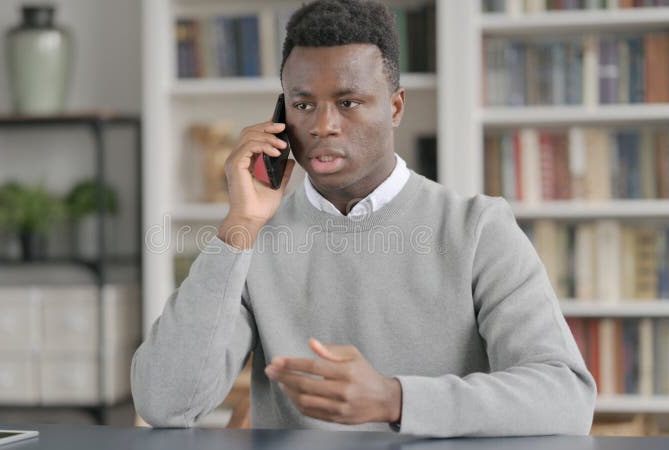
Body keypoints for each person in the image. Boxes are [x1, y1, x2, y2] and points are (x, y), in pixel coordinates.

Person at [131, 0, 596, 437]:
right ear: (281, 114)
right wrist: (239, 227)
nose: (322, 125)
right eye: (303, 104)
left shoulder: (477, 228)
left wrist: (395, 399)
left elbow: (566, 398)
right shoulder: (255, 238)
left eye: (348, 102)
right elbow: (165, 404)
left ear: (394, 108)